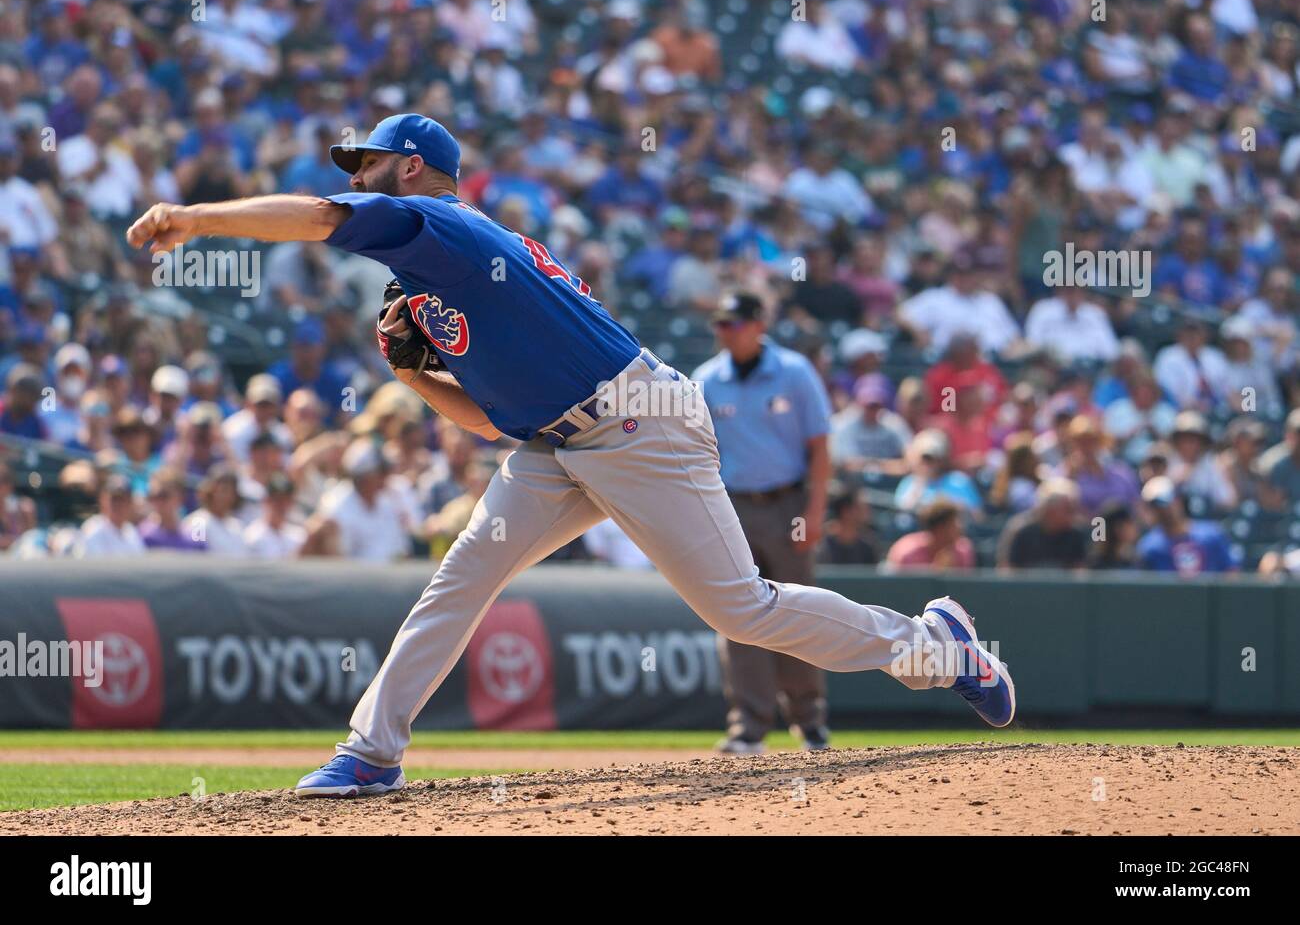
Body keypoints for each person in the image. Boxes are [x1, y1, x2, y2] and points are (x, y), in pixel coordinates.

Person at [127, 112, 1015, 799]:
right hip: (560, 440)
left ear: (405, 171)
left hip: (641, 423)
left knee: (740, 608)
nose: (355, 179)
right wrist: (414, 380)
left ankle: (933, 645)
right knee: (463, 574)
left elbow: (320, 217)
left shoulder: (442, 227)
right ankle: (371, 753)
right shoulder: (435, 282)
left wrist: (196, 219)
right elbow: (491, 424)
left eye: (366, 164)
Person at [694, 291, 835, 756]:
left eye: (733, 323)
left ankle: (809, 721)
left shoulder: (794, 371)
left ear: (758, 325)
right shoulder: (706, 380)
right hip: (730, 506)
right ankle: (749, 726)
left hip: (786, 503)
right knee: (737, 614)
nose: (725, 332)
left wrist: (814, 511)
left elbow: (820, 446)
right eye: (720, 324)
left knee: (800, 609)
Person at [1136, 476, 1240, 575]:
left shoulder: (1212, 534)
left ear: (1178, 500)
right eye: (1155, 505)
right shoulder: (1149, 546)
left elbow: (1231, 572)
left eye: (1165, 502)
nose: (1163, 510)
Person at [996, 478, 1089, 570]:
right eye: (1068, 510)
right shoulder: (1019, 529)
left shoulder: (1076, 535)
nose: (1073, 515)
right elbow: (1007, 569)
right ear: (1050, 511)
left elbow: (1081, 571)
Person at [886, 498, 975, 571]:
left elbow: (964, 589)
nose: (959, 528)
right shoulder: (907, 552)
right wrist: (937, 569)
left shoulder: (963, 550)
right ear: (940, 528)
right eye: (953, 524)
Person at [75, 474, 145, 558]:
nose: (118, 505)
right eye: (114, 499)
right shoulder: (93, 530)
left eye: (123, 500)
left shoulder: (131, 531)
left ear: (130, 502)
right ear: (102, 500)